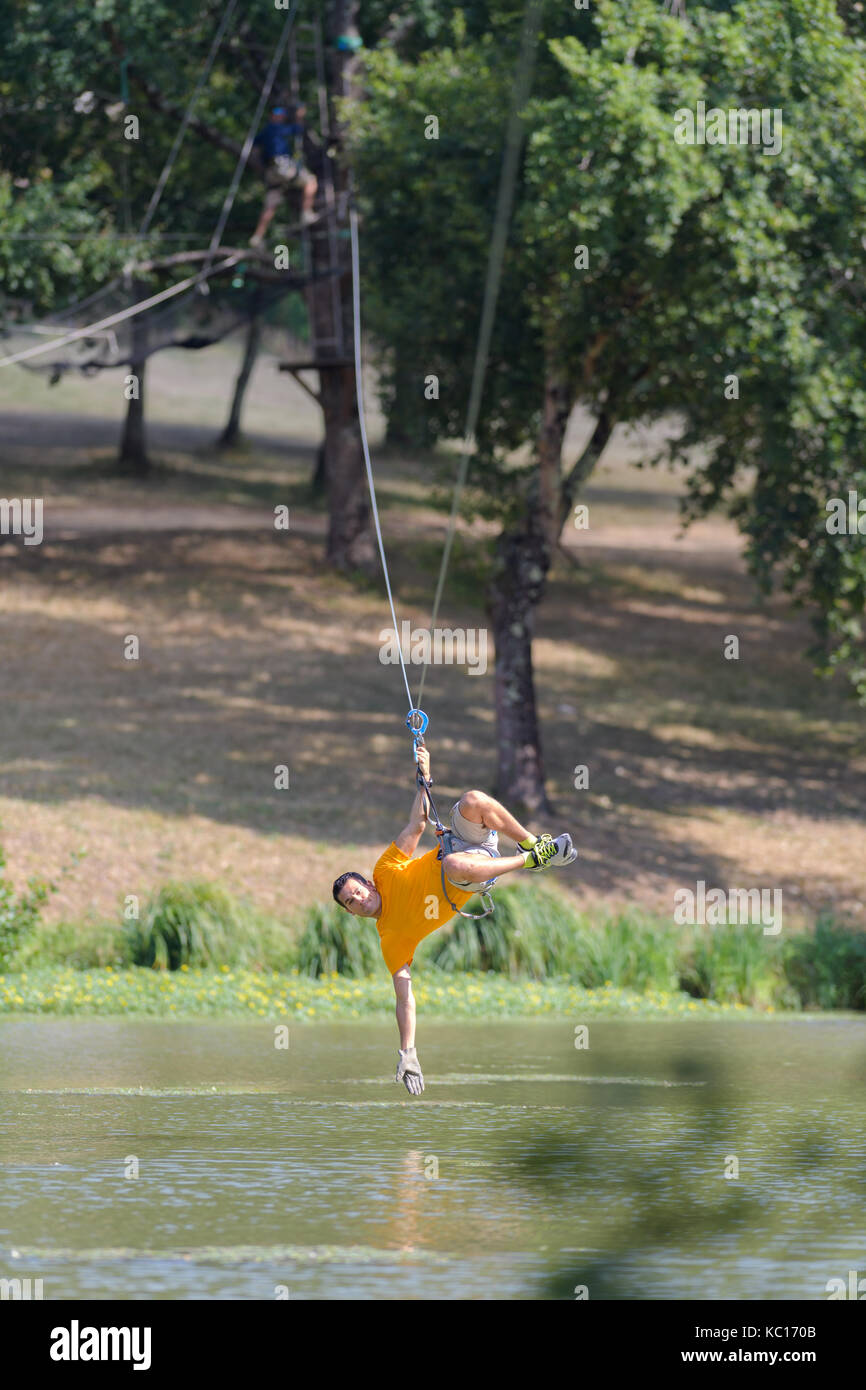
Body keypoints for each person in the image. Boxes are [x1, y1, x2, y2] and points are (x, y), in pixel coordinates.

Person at [332, 743, 577, 1096]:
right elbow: (405, 999)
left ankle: (532, 845)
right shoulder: (391, 939)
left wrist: (424, 777)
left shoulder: (385, 869)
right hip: (469, 873)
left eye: (358, 892)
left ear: (368, 884)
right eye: (351, 903)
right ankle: (531, 862)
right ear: (352, 913)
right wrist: (408, 1052)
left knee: (473, 800)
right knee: (452, 865)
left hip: (463, 844)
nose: (359, 899)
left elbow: (418, 823)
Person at [249, 103, 318, 246]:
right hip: (284, 167)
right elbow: (298, 129)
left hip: (272, 171)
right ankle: (306, 213)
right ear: (275, 117)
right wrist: (299, 116)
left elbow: (254, 149)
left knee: (271, 204)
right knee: (311, 181)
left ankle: (257, 236)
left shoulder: (264, 131)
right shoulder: (279, 128)